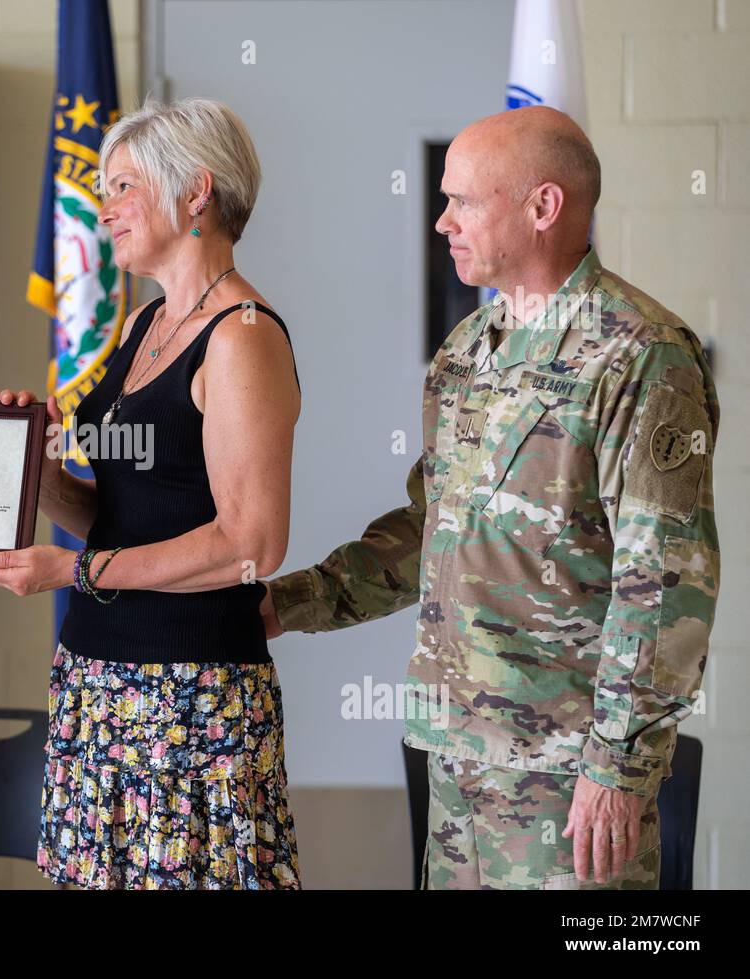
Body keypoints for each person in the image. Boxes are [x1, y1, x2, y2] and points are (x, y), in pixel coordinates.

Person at [261, 106, 719, 889]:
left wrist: (617, 769)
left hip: (565, 779)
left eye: (464, 201)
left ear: (544, 207)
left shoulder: (641, 357)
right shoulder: (468, 353)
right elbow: (427, 529)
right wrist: (288, 603)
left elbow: (666, 586)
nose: (443, 222)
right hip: (455, 763)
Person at [0, 97, 303, 889]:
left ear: (196, 193)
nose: (103, 208)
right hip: (99, 680)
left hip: (191, 696)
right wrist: (33, 466)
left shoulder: (243, 337)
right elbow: (116, 515)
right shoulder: (141, 326)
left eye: (122, 187)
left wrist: (72, 572)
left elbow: (253, 541)